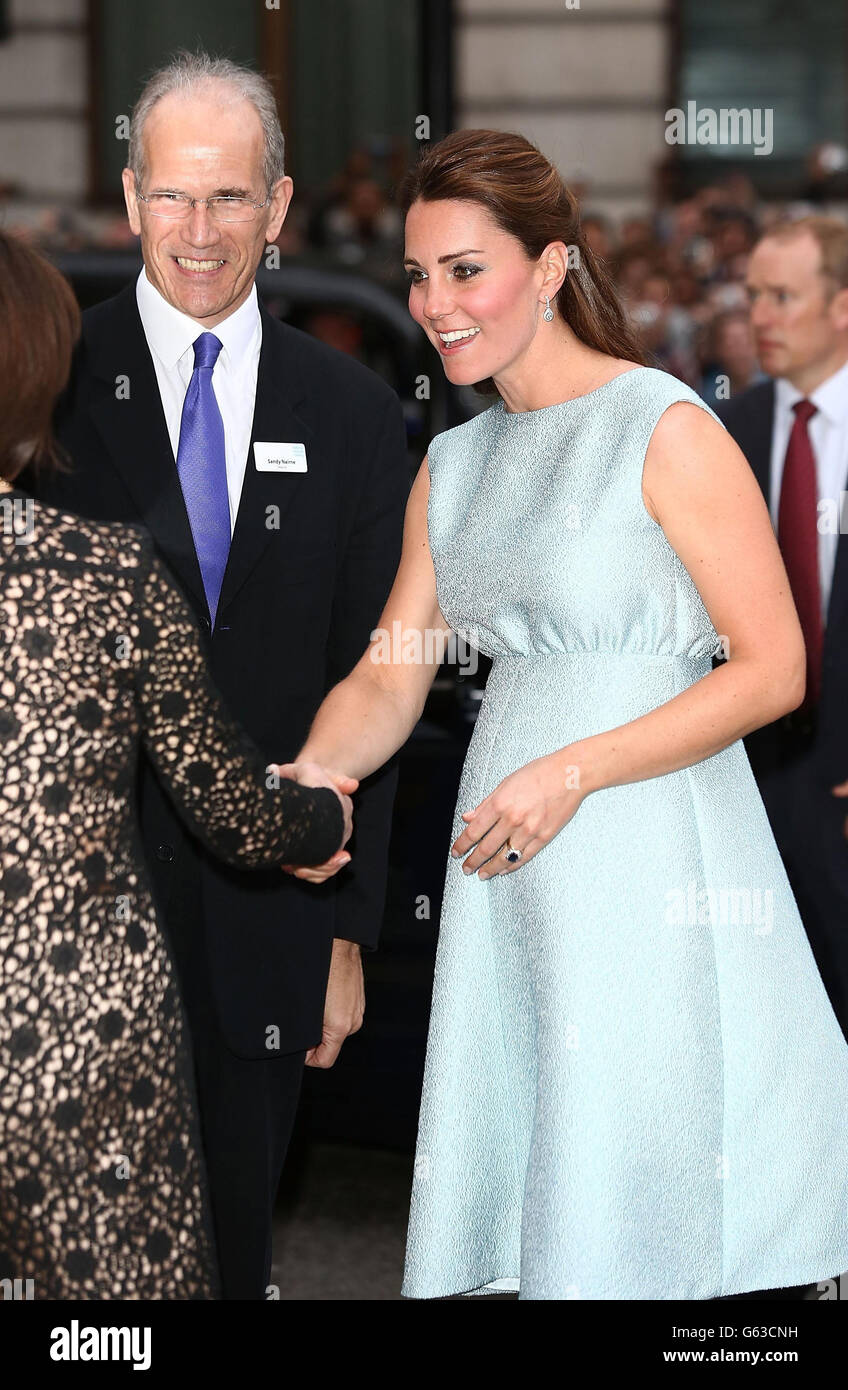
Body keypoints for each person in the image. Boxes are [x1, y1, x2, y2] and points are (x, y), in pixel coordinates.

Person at [276, 130, 848, 1300]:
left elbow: (773, 666)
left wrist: (573, 770)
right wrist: (291, 787)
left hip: (651, 847)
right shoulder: (457, 462)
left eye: (465, 269)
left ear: (548, 267)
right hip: (514, 872)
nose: (435, 303)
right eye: (419, 274)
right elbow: (392, 674)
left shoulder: (664, 426)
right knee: (548, 1201)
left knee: (655, 1202)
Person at [24, 51, 408, 1300]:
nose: (199, 232)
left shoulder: (350, 410)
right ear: (129, 200)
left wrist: (347, 935)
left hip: (274, 919)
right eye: (173, 197)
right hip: (70, 943)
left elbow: (381, 673)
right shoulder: (44, 390)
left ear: (280, 207)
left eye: (229, 198)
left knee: (236, 1252)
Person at [0, 229, 352, 1299]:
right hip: (79, 1036)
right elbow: (228, 803)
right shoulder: (102, 570)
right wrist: (325, 822)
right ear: (39, 375)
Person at [716, 215, 848, 1043]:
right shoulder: (725, 429)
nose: (761, 316)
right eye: (754, 294)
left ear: (842, 307)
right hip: (742, 788)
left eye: (784, 296)